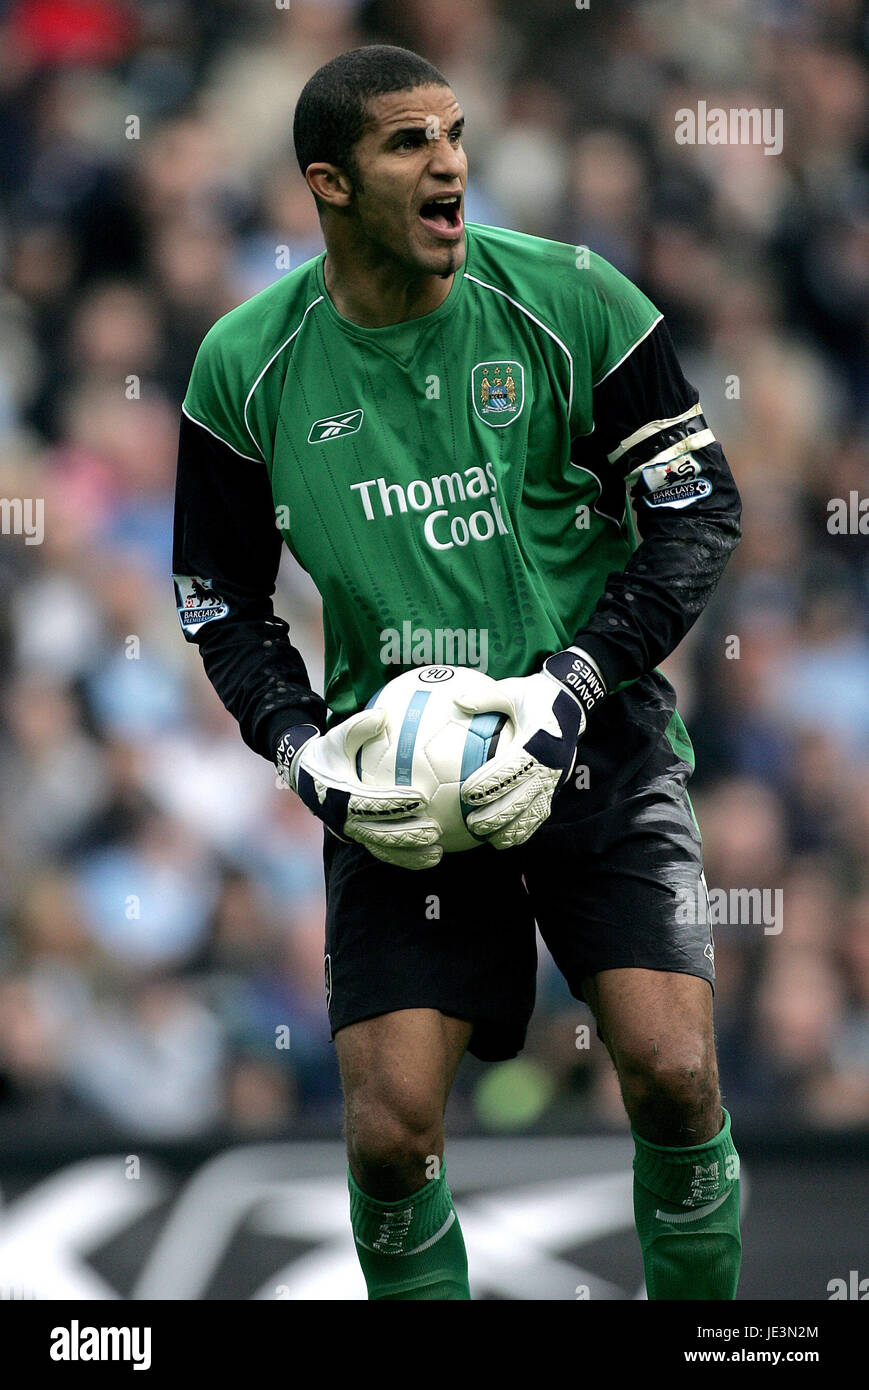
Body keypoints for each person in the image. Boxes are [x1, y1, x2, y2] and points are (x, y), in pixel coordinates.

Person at [172, 44, 743, 1300]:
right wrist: (301, 749)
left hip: (586, 734)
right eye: (407, 144)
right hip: (397, 776)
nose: (451, 164)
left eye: (456, 133)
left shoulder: (572, 294)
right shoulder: (243, 367)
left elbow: (699, 510)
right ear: (328, 183)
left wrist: (572, 685)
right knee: (385, 1133)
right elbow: (218, 598)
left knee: (670, 1066)